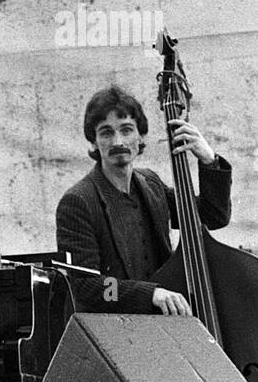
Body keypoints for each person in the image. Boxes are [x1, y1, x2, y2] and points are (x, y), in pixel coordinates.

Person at [56, 85, 231, 315]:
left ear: (140, 137)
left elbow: (213, 216)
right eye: (106, 133)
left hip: (165, 323)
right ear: (94, 142)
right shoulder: (78, 202)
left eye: (127, 130)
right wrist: (150, 294)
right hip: (117, 330)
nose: (118, 141)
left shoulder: (151, 184)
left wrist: (209, 160)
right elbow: (86, 287)